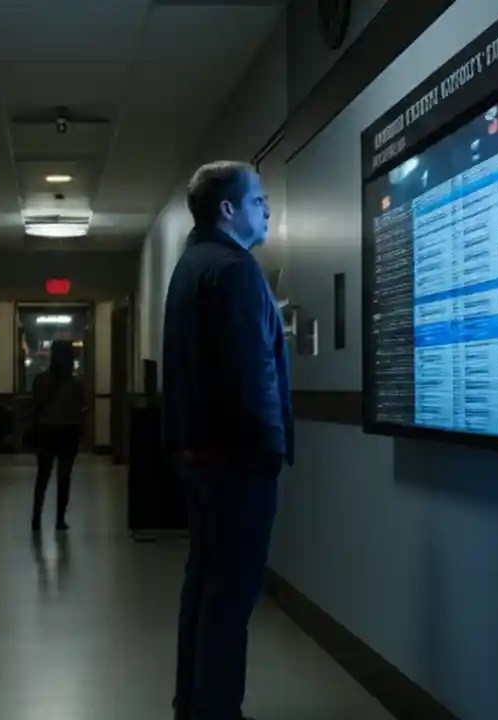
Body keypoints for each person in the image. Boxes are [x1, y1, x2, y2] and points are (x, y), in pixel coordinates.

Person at [163, 161, 294, 720]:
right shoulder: (237, 271)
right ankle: (218, 711)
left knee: (204, 588)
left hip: (199, 455)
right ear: (228, 209)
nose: (267, 209)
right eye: (258, 199)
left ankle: (193, 705)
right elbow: (251, 376)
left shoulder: (192, 264)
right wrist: (269, 453)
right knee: (232, 596)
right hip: (237, 462)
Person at [30, 339, 87, 532]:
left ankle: (36, 519)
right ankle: (60, 520)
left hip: (45, 430)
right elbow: (81, 409)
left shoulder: (40, 380)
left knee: (42, 477)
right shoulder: (76, 384)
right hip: (68, 431)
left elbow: (34, 407)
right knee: (64, 478)